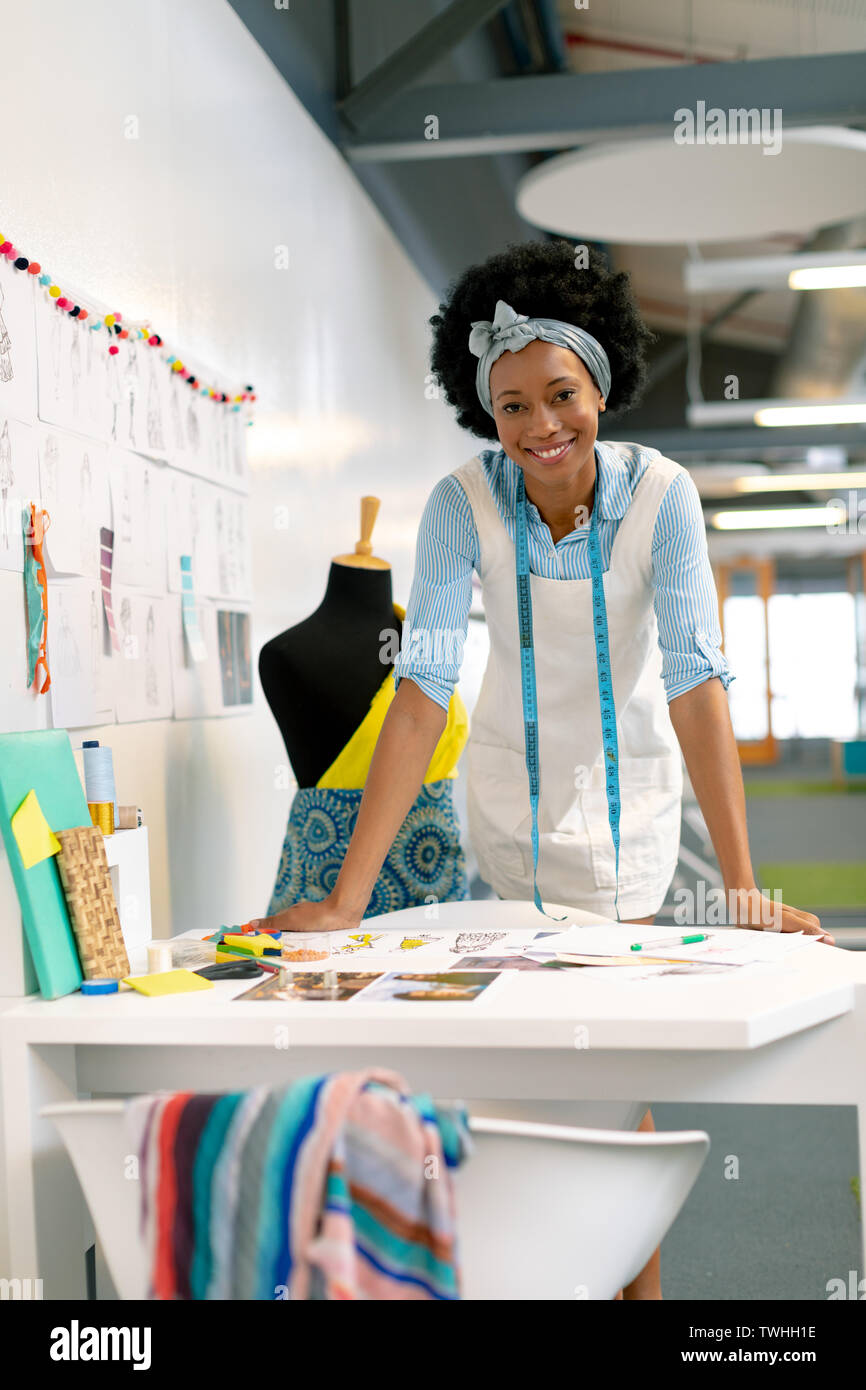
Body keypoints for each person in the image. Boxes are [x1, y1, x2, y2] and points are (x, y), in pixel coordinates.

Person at [250, 239, 833, 1298]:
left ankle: (635, 1291)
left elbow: (699, 685)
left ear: (599, 383)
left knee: (612, 1078)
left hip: (630, 831)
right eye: (509, 404)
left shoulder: (662, 496)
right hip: (505, 825)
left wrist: (742, 887)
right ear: (483, 410)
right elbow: (420, 692)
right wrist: (344, 899)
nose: (539, 426)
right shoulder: (456, 505)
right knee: (518, 1071)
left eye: (558, 393)